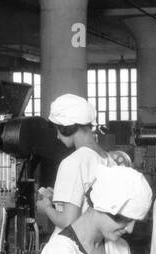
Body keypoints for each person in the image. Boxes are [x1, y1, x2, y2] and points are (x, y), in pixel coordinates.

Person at [35, 93, 130, 232]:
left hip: (72, 246)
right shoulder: (108, 159)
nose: (57, 135)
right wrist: (60, 198)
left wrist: (46, 208)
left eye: (58, 129)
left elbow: (68, 222)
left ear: (66, 127)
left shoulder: (73, 162)